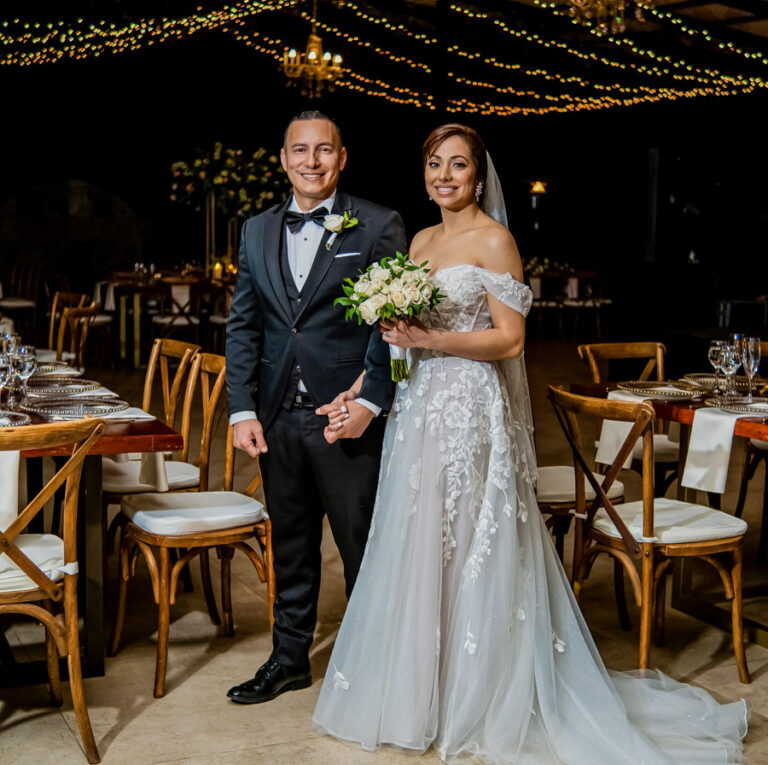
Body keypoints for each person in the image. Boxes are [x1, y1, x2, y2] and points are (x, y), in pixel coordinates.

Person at [312, 124, 748, 762]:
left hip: (469, 410)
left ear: (479, 174)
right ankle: (422, 693)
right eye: (435, 164)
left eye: (458, 165)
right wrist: (363, 386)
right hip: (419, 408)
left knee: (467, 537)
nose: (444, 175)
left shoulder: (496, 240)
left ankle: (480, 693)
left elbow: (510, 341)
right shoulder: (424, 239)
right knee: (420, 535)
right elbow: (396, 336)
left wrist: (430, 342)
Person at [225, 111, 406, 704]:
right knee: (292, 546)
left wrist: (372, 402)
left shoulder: (378, 225)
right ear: (283, 159)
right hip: (277, 419)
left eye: (323, 150)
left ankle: (372, 669)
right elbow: (245, 325)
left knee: (361, 546)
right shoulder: (255, 230)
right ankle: (289, 659)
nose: (311, 161)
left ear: (342, 157)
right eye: (299, 151)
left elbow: (392, 326)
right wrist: (242, 410)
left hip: (346, 416)